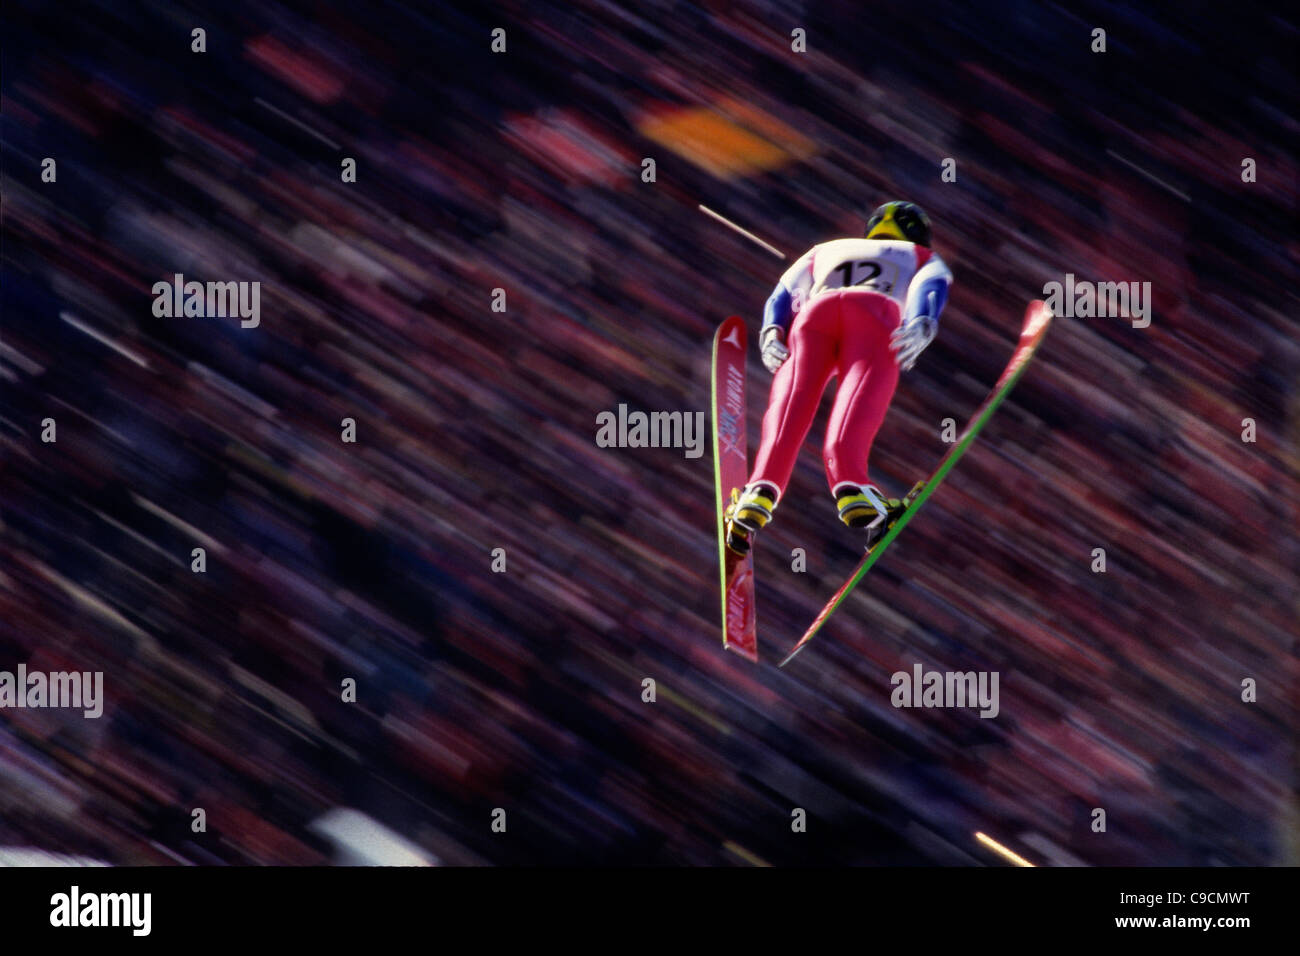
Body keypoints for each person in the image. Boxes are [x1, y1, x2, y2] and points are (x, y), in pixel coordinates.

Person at [724, 201, 952, 555]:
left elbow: (783, 292)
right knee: (856, 405)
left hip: (815, 314)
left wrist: (771, 331)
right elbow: (930, 286)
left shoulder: (826, 248)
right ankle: (852, 488)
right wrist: (923, 321)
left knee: (792, 404)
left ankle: (759, 491)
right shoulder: (921, 254)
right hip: (875, 311)